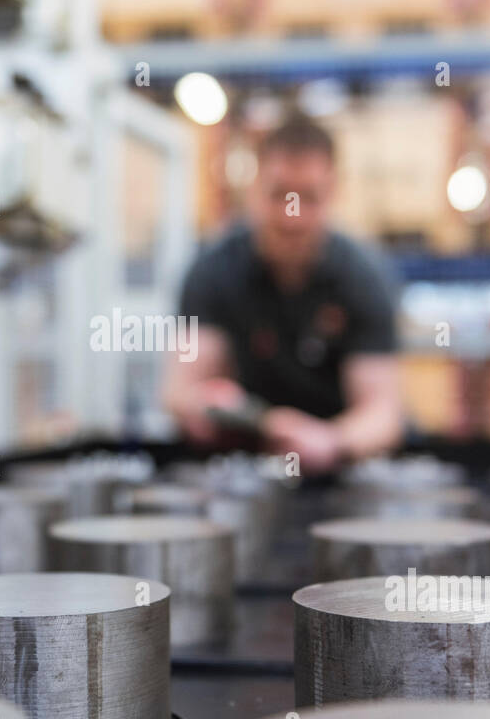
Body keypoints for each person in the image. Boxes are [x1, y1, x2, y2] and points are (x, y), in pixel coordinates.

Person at [163, 112, 404, 474]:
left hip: (337, 471)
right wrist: (210, 407)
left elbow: (383, 414)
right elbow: (179, 391)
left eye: (309, 197)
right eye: (280, 195)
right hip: (244, 471)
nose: (293, 216)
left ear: (334, 193)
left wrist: (332, 440)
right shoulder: (212, 271)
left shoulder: (364, 278)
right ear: (253, 189)